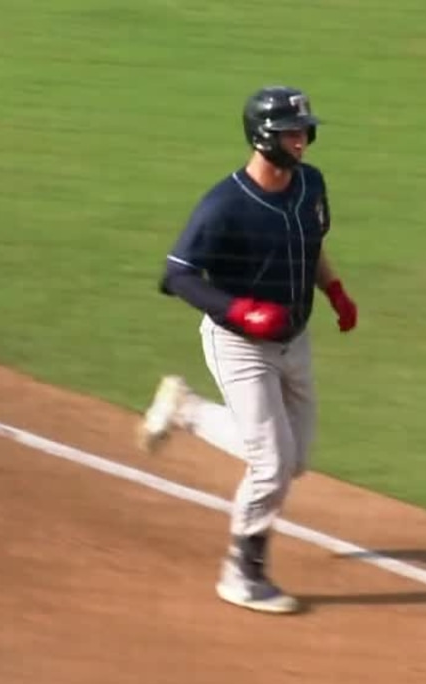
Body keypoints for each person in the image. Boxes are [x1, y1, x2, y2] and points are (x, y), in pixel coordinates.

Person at [135, 84, 359, 615]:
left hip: (295, 340)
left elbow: (311, 244)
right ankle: (243, 573)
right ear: (263, 137)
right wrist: (240, 311)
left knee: (293, 461)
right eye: (291, 133)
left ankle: (186, 410)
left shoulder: (310, 185)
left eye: (304, 132)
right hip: (239, 346)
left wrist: (334, 290)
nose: (301, 141)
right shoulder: (225, 205)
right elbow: (177, 275)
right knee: (271, 467)